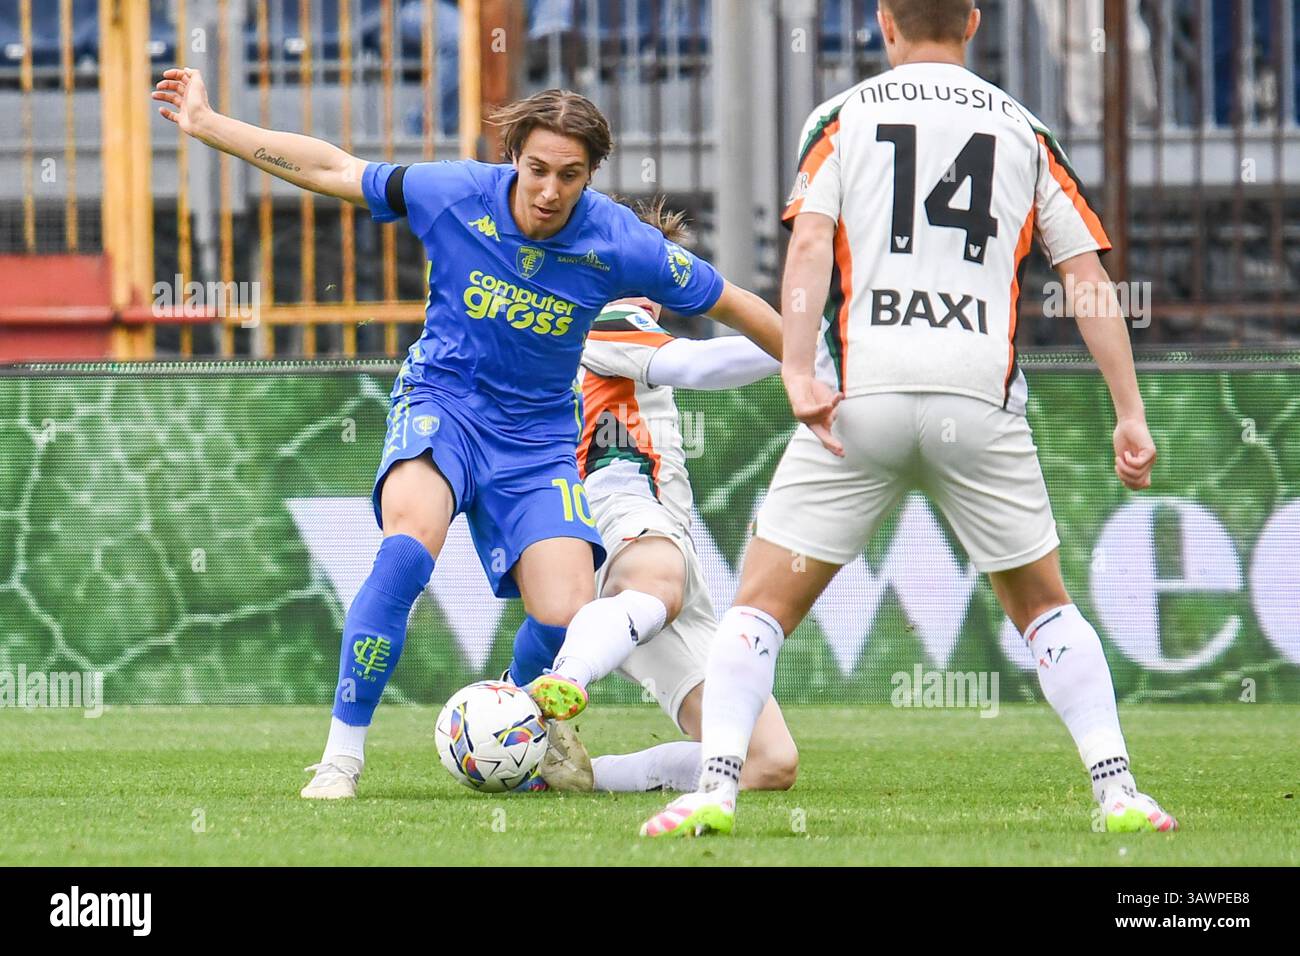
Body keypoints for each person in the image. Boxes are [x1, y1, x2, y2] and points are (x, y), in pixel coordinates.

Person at [151, 70, 782, 800]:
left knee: (564, 608)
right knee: (408, 548)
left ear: (592, 174)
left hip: (539, 441)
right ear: (514, 155)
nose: (549, 190)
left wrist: (817, 363)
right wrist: (208, 123)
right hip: (442, 404)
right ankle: (340, 760)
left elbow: (737, 305)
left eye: (569, 176)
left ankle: (507, 725)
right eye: (538, 169)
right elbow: (334, 169)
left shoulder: (620, 242)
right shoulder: (453, 192)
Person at [641, 0, 1177, 837]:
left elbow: (811, 246)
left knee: (757, 609)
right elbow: (1085, 278)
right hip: (977, 393)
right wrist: (1130, 410)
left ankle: (715, 788)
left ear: (884, 24)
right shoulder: (1024, 128)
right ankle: (1118, 789)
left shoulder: (840, 116)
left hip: (864, 396)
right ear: (972, 21)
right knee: (1045, 609)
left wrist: (795, 369)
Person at [507, 202, 798, 796]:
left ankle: (575, 777)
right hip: (621, 503)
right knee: (658, 581)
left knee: (769, 762)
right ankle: (564, 679)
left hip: (660, 544)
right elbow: (695, 364)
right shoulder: (613, 311)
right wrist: (809, 346)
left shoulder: (592, 325)